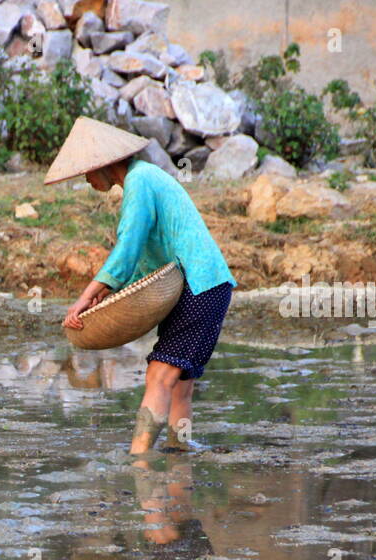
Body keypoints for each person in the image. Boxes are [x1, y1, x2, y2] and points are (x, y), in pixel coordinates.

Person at [44, 117, 236, 454]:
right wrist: (106, 293)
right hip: (206, 283)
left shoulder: (140, 181)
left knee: (159, 377)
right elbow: (144, 262)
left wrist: (84, 299)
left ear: (105, 165)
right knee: (180, 383)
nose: (88, 179)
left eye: (88, 172)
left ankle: (139, 458)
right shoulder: (145, 179)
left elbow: (127, 246)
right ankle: (181, 450)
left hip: (198, 284)